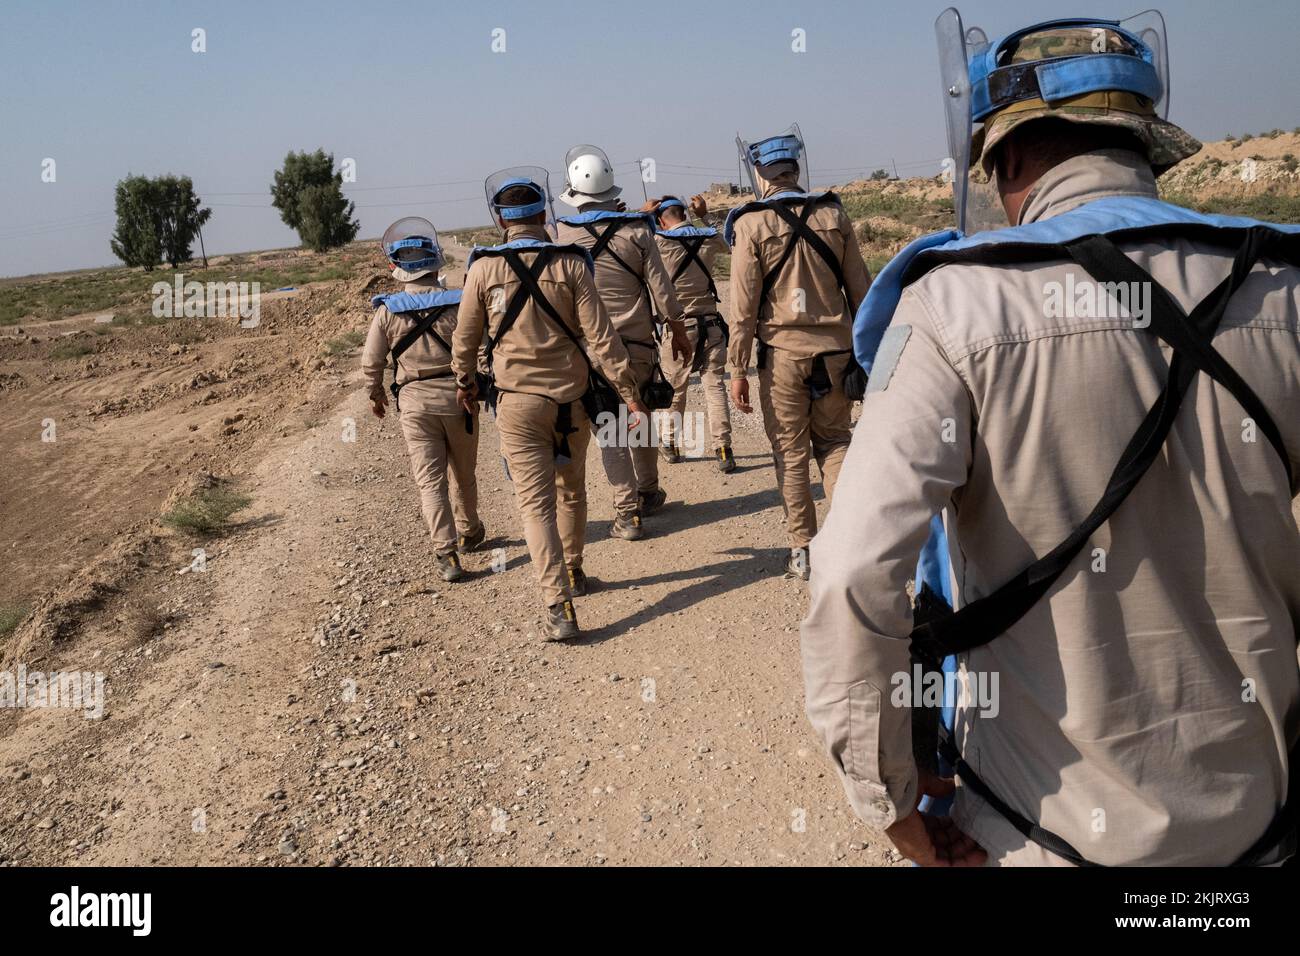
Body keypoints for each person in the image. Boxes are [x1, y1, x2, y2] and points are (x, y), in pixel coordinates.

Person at [801, 12, 1300, 867]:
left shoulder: (956, 307)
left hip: (1048, 832)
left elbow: (853, 575)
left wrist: (888, 801)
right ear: (1144, 142)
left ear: (1013, 157)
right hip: (1264, 821)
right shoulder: (1283, 288)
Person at [453, 168, 646, 641]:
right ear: (544, 214)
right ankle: (576, 570)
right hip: (573, 399)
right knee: (572, 490)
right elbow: (602, 338)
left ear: (501, 221)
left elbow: (464, 340)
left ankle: (558, 605)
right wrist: (630, 393)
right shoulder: (572, 264)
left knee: (534, 506)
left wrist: (465, 382)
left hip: (517, 405)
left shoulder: (481, 269)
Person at [724, 126, 872, 578]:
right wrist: (867, 353)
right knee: (835, 443)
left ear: (759, 173)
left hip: (783, 356)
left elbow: (743, 305)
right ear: (796, 168)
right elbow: (862, 291)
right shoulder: (833, 214)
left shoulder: (750, 223)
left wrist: (736, 368)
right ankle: (850, 542)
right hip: (837, 353)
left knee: (790, 453)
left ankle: (802, 550)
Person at [555, 145, 691, 536]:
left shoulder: (560, 235)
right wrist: (677, 329)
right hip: (638, 343)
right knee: (641, 414)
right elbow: (661, 289)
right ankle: (648, 490)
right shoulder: (638, 232)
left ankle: (627, 512)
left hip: (590, 350)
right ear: (611, 187)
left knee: (611, 429)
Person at [362, 217, 483, 583]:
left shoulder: (387, 310)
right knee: (464, 473)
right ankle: (470, 528)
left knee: (429, 481)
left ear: (398, 269)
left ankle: (446, 554)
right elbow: (483, 345)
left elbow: (372, 362)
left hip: (414, 403)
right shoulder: (460, 303)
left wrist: (376, 393)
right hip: (459, 396)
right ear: (436, 262)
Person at [643, 194, 734, 472]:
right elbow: (729, 243)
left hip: (679, 326)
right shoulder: (707, 237)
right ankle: (723, 448)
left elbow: (634, 241)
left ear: (661, 219)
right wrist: (704, 215)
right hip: (711, 322)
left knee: (676, 388)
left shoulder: (658, 241)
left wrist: (641, 216)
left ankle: (670, 444)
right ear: (685, 213)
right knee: (714, 386)